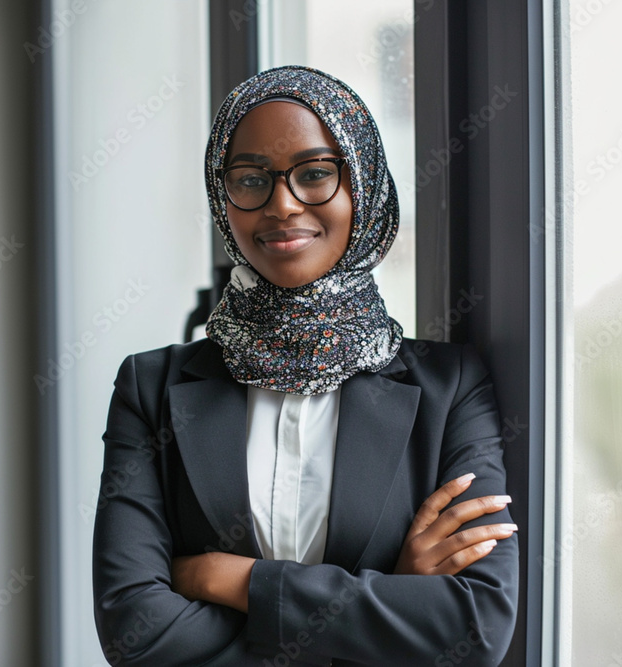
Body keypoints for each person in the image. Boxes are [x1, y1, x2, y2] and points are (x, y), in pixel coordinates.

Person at [92, 65, 519, 666]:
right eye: (250, 179)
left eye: (316, 174)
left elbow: (475, 630)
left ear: (363, 184)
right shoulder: (150, 387)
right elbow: (136, 632)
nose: (282, 205)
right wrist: (390, 602)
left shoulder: (450, 387)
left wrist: (224, 579)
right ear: (223, 196)